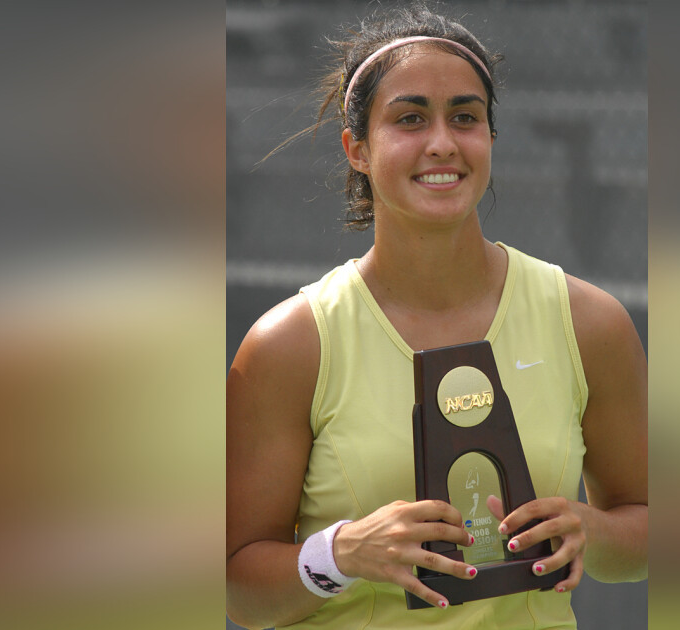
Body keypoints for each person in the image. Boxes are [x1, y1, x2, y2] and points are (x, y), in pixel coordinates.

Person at [227, 4, 647, 628]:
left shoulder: (589, 322)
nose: (443, 143)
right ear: (357, 149)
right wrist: (340, 554)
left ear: (491, 140)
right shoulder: (290, 343)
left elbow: (641, 527)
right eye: (410, 118)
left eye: (466, 117)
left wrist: (590, 530)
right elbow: (239, 591)